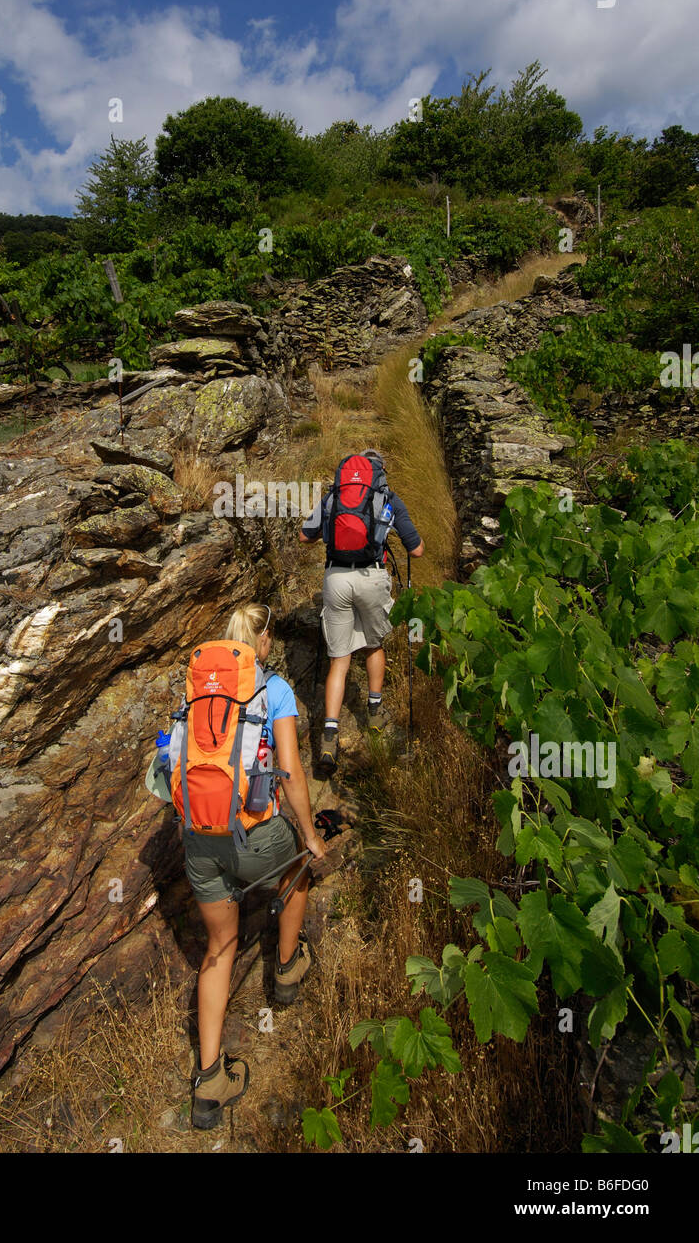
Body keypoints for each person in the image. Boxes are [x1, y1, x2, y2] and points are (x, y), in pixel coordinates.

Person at [184, 602, 326, 1130]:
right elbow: (288, 774)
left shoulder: (199, 693)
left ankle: (209, 1083)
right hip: (253, 834)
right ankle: (287, 971)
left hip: (199, 839)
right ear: (263, 641)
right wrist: (310, 837)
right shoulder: (276, 691)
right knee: (296, 873)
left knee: (218, 948)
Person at [299, 449, 424, 771]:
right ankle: (374, 711)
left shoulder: (333, 497)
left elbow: (304, 536)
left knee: (338, 659)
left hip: (336, 578)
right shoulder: (388, 498)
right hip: (371, 576)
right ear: (380, 472)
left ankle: (329, 734)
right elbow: (418, 550)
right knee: (373, 645)